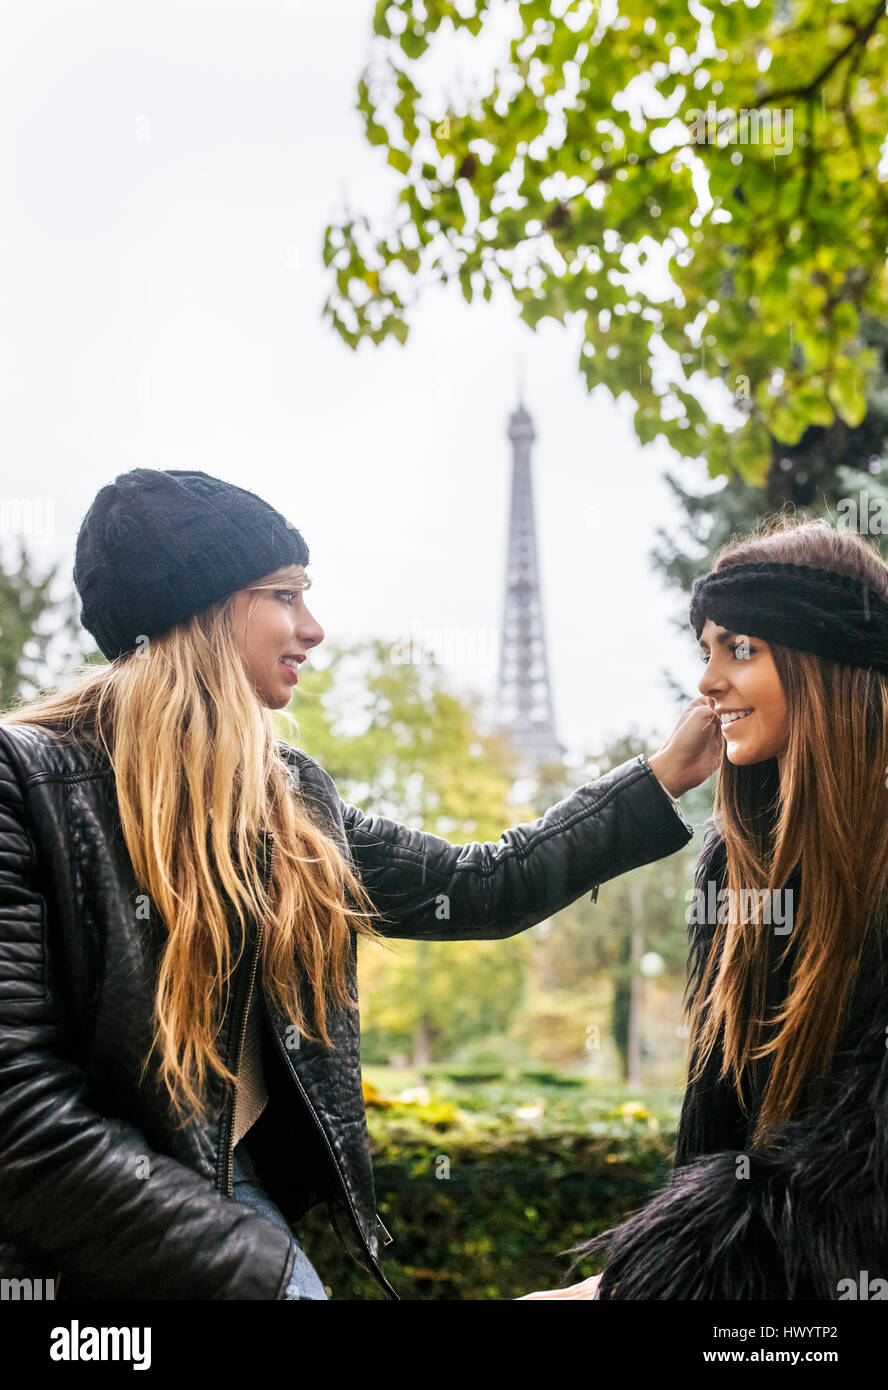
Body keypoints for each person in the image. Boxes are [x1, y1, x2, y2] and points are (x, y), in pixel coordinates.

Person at [0, 467, 719, 1300]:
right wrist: (264, 1267)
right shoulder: (26, 786)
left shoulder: (289, 799)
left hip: (229, 1206)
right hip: (77, 1249)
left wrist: (662, 776)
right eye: (285, 594)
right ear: (199, 609)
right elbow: (19, 1118)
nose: (314, 627)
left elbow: (478, 885)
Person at [521, 515, 888, 1300]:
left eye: (741, 649)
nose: (707, 682)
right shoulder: (738, 863)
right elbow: (724, 1140)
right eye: (707, 652)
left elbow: (851, 1192)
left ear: (824, 662)